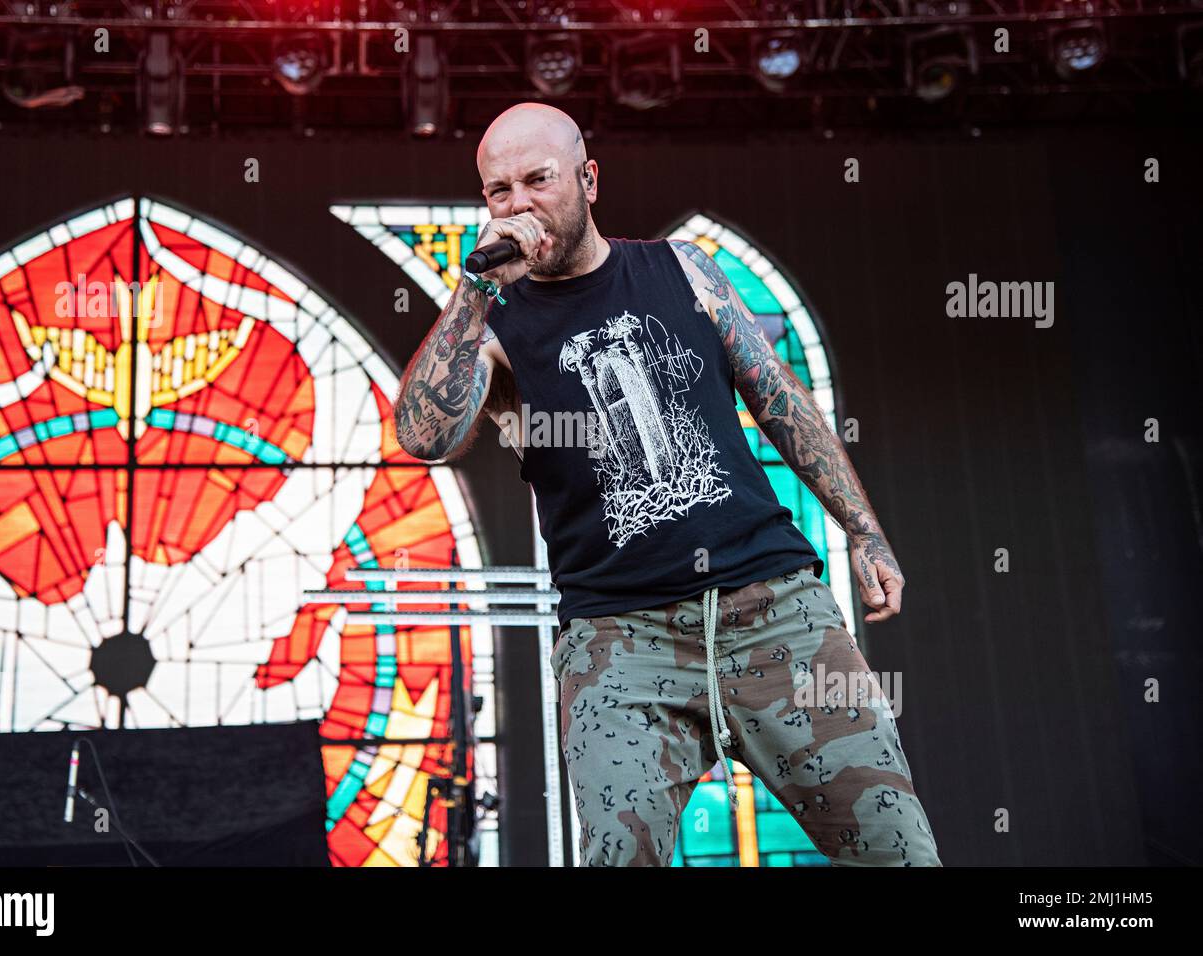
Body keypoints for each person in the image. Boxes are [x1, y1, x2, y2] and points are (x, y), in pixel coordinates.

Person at [394, 102, 942, 867]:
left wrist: (865, 531)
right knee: (618, 857)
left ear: (587, 179)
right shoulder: (493, 327)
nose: (518, 204)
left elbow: (779, 397)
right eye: (498, 191)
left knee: (898, 851)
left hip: (773, 612)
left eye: (537, 181)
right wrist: (475, 288)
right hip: (621, 640)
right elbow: (424, 437)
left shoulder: (681, 270)